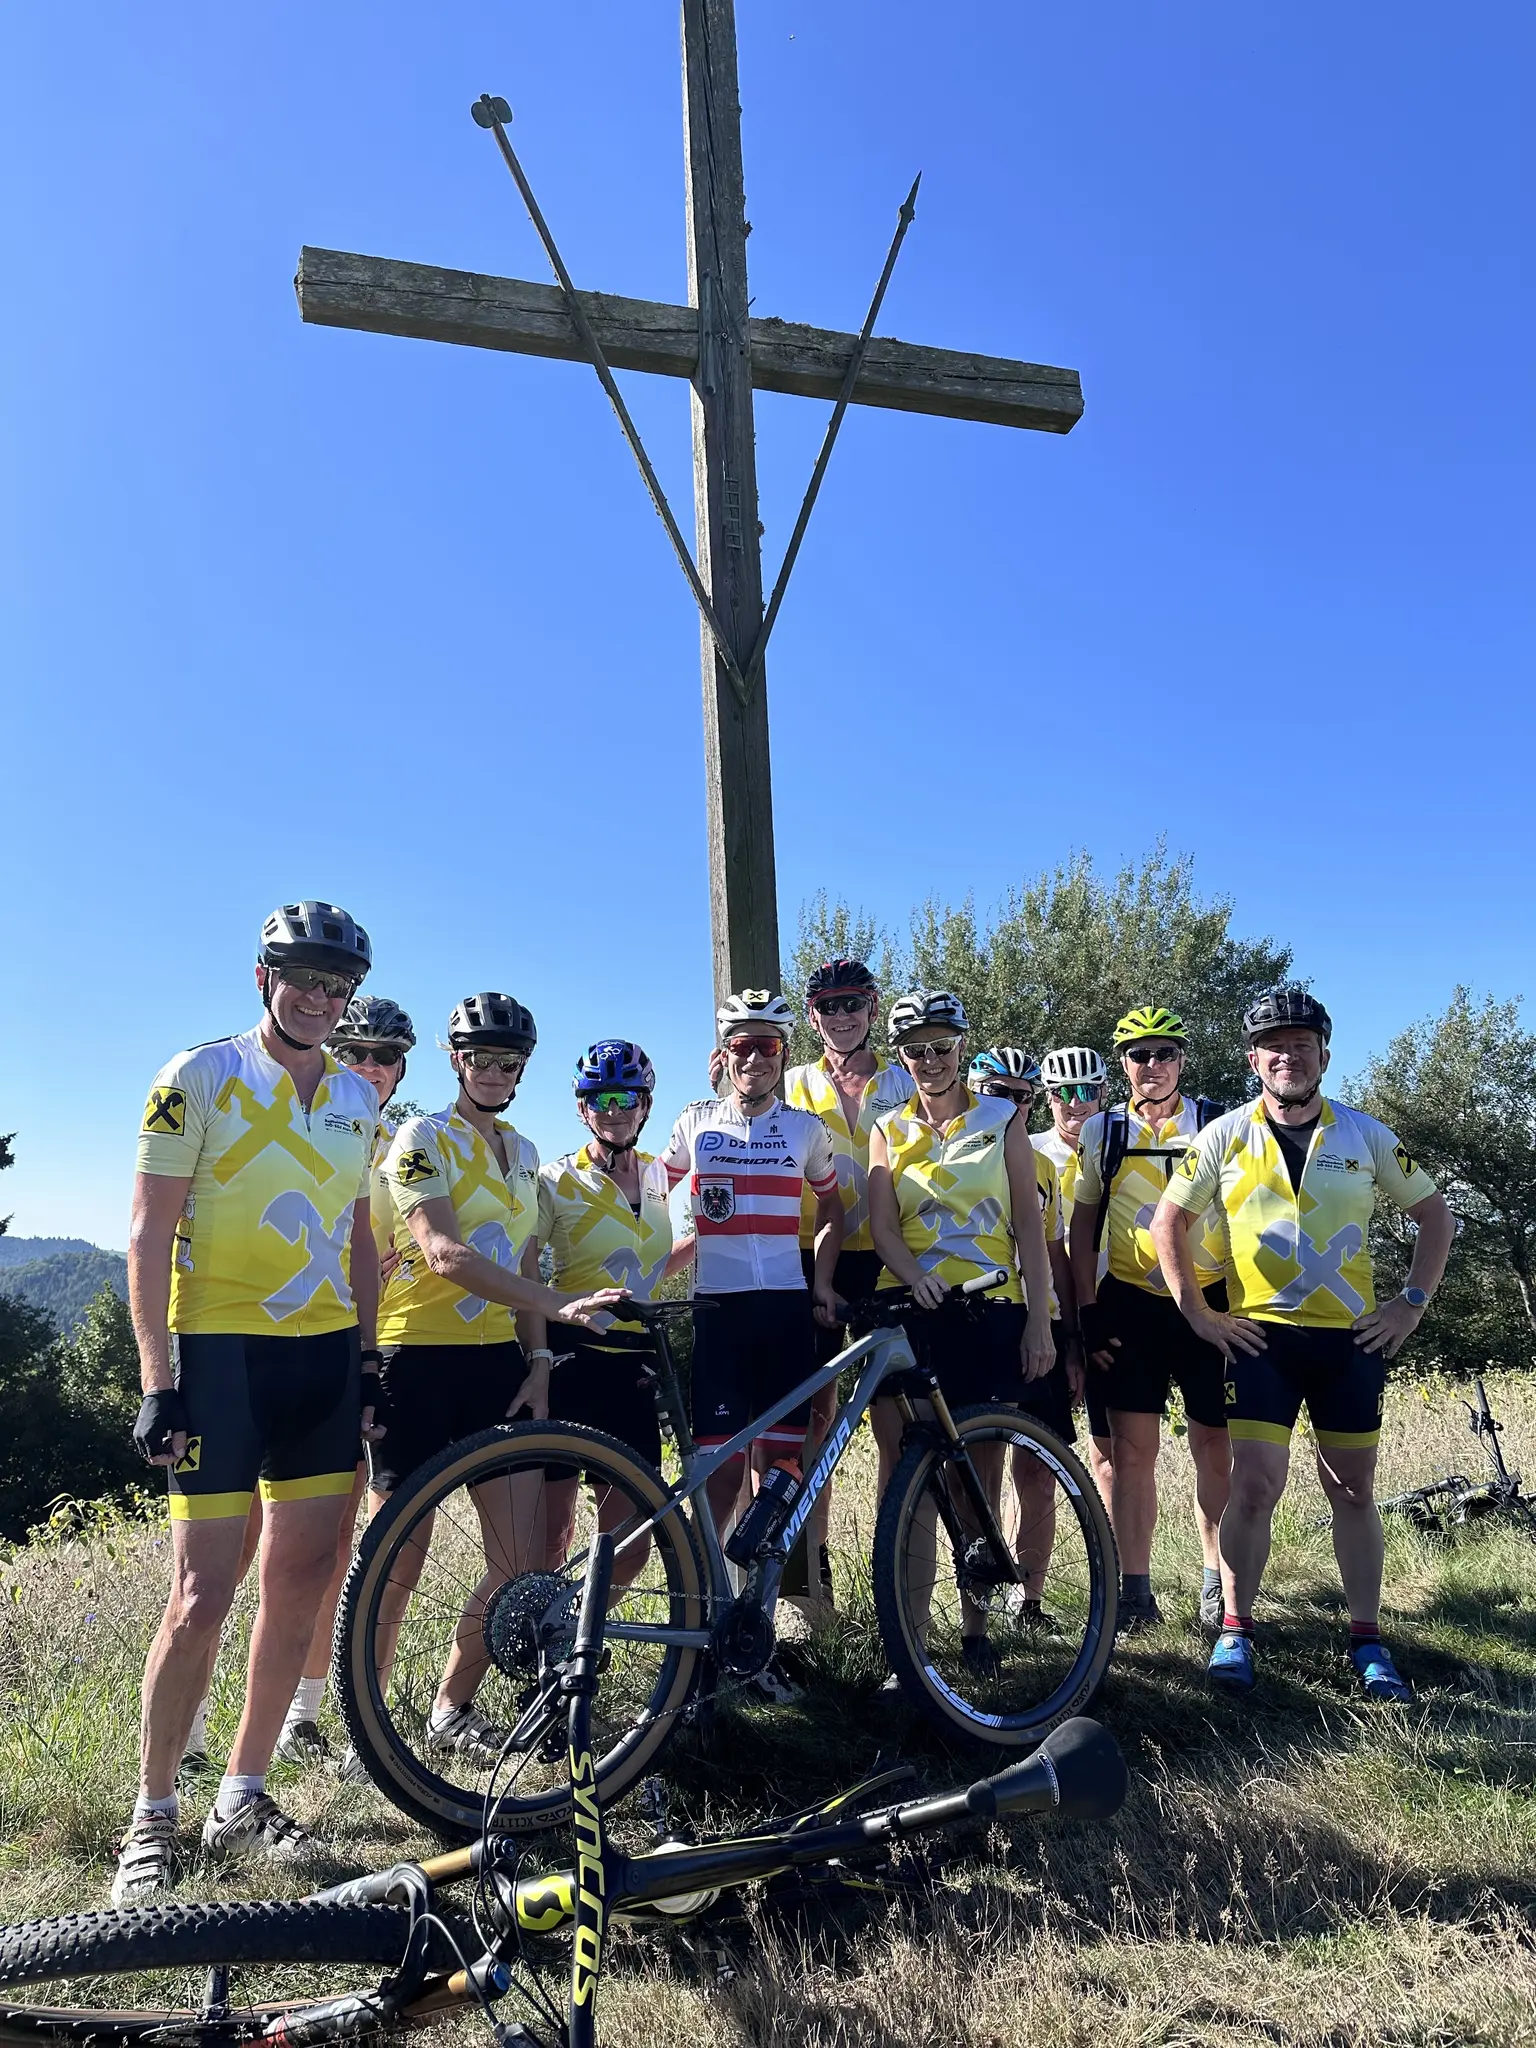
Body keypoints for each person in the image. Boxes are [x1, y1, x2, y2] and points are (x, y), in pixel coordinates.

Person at [116, 901, 381, 1902]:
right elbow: (148, 1233)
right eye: (300, 977)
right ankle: (152, 1814)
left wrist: (369, 1359)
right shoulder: (198, 1076)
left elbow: (359, 1233)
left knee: (301, 1580)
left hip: (324, 1360)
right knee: (201, 1595)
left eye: (335, 984)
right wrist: (158, 1380)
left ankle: (243, 1791)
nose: (318, 997)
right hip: (220, 1358)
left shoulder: (356, 1096)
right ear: (263, 978)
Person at [1151, 987, 1455, 1699]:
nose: (1288, 1056)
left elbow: (1436, 1217)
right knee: (1253, 1485)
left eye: (1302, 1044)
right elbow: (1167, 1222)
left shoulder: (1365, 1135)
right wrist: (1198, 1314)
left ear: (1324, 1054)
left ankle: (1367, 1640)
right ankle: (1235, 1629)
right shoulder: (1223, 1134)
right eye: (1274, 1046)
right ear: (1252, 1059)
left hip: (1350, 1341)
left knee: (1353, 1489)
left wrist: (1410, 1305)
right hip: (1262, 1340)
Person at [362, 995, 626, 1768]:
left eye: (507, 1061)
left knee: (518, 1562)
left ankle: (450, 1708)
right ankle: (365, 1721)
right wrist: (558, 1305)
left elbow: (524, 1262)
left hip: (498, 1364)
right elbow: (442, 1253)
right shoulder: (420, 1137)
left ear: (522, 1069)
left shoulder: (525, 1150)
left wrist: (539, 1361)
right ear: (455, 1060)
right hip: (416, 1357)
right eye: (478, 1057)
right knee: (397, 1562)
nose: (492, 1070)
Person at [868, 993, 1058, 1664]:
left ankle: (975, 1632)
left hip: (989, 1307)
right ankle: (911, 1646)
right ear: (901, 1058)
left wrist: (1040, 1319)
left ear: (961, 1048)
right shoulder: (887, 1128)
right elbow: (883, 1228)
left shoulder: (1002, 1119)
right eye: (916, 1050)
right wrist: (912, 1273)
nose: (930, 1060)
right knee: (909, 1481)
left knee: (977, 1478)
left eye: (942, 1047)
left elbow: (1029, 1225)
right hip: (910, 1308)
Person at [660, 993, 844, 1554]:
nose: (754, 1059)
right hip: (718, 1310)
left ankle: (765, 1596)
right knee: (719, 1472)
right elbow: (650, 1195)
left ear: (783, 1053)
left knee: (780, 1468)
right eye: (742, 1047)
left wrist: (822, 1282)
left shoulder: (806, 1129)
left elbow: (832, 1207)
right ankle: (704, 1589)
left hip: (785, 1309)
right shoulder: (696, 1121)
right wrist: (655, 1263)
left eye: (766, 1046)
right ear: (725, 1053)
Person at [1068, 1006, 1232, 1633]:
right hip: (1130, 1304)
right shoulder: (1102, 1131)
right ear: (1124, 1064)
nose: (1153, 1065)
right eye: (1140, 1054)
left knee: (1214, 1446)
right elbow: (1082, 1228)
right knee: (1133, 1453)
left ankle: (1218, 1581)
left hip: (1210, 1301)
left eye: (1165, 1053)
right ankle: (1134, 1592)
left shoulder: (1217, 1122)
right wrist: (1086, 1312)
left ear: (1183, 1060)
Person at [526, 1040, 696, 1584]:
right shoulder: (555, 1180)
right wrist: (538, 1359)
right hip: (572, 1360)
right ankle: (541, 1630)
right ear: (582, 1108)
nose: (615, 1110)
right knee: (550, 1539)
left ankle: (582, 1628)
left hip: (636, 1365)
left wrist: (702, 1242)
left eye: (628, 1097)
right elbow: (526, 1271)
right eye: (601, 1098)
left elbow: (647, 1265)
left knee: (630, 1543)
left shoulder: (660, 1177)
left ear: (646, 1105)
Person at [781, 958, 912, 1610]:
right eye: (828, 1006)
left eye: (852, 1003)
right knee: (814, 1416)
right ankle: (809, 1572)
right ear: (812, 1017)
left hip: (891, 1257)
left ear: (872, 1008)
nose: (841, 1016)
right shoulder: (792, 1081)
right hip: (811, 1258)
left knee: (898, 1420)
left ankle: (896, 1568)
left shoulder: (905, 1078)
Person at [1032, 1047, 1111, 1506]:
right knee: (1035, 1461)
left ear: (1104, 1092)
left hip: (1106, 1305)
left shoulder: (1119, 1142)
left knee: (1112, 1451)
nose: (1075, 1102)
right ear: (1048, 1098)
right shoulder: (1028, 1150)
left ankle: (1116, 1550)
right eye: (1063, 1093)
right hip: (1047, 1312)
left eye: (1085, 1090)